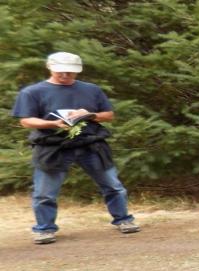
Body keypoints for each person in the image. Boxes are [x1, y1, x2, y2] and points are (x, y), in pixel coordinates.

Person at [11, 51, 138, 244]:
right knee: (45, 193)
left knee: (113, 186)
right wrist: (53, 124)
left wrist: (89, 115)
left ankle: (123, 220)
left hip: (91, 143)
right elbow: (26, 121)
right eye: (60, 71)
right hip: (53, 147)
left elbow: (109, 115)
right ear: (49, 67)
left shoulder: (91, 89)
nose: (65, 75)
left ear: (78, 71)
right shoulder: (32, 92)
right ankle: (44, 229)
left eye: (70, 72)